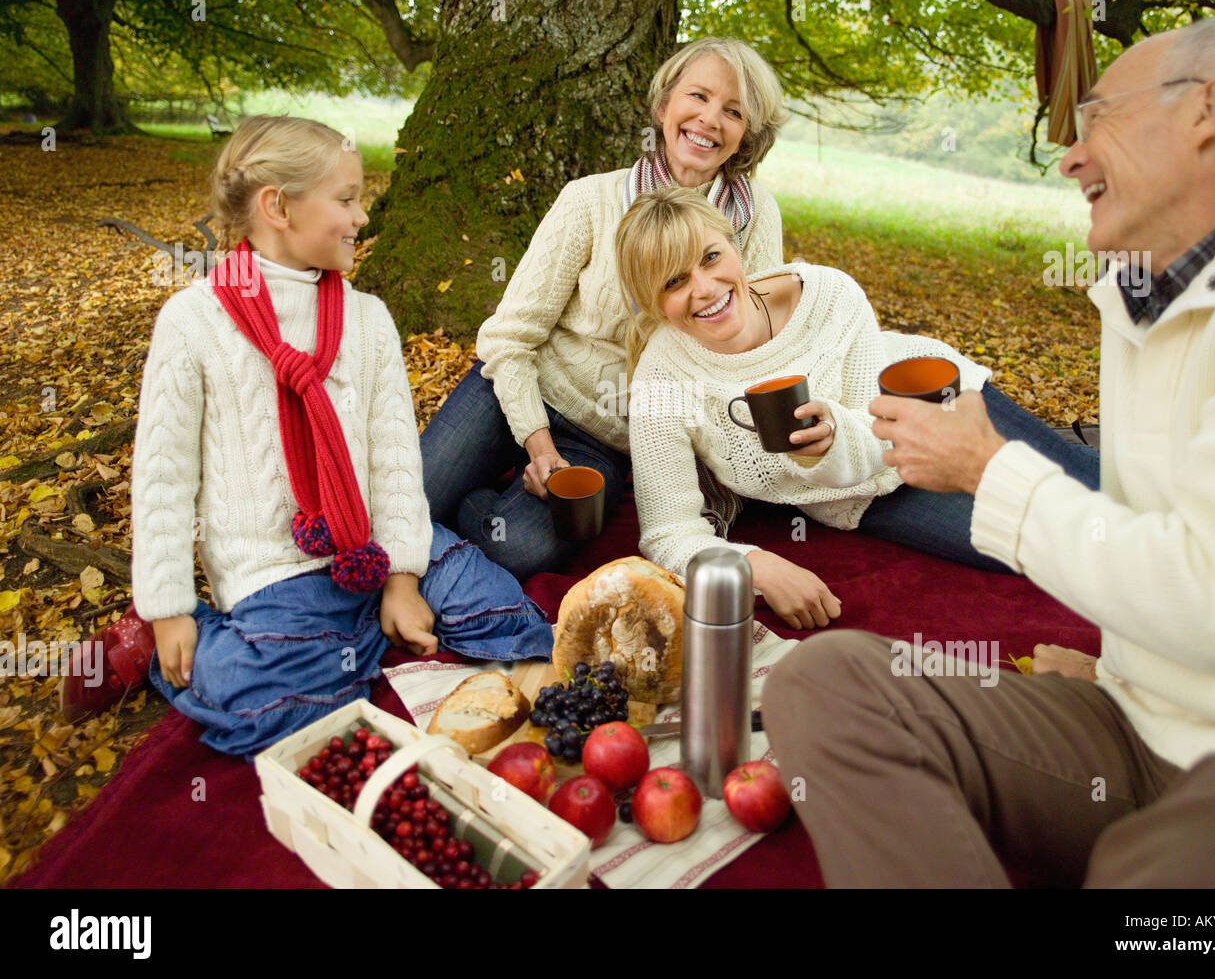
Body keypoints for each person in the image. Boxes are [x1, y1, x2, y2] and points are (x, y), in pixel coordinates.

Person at [763, 16, 1215, 886]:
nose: (1071, 157)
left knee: (1168, 866)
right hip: (1127, 731)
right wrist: (1123, 664)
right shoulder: (1145, 283)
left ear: (1210, 110)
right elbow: (1156, 530)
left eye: (1098, 120)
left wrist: (987, 469)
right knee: (822, 686)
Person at [124, 116, 551, 756]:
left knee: (503, 615)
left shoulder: (367, 319)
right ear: (278, 206)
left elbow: (397, 463)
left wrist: (404, 579)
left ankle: (361, 640)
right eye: (346, 200)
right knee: (274, 712)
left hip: (377, 545)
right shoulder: (193, 322)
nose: (361, 217)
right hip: (275, 575)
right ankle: (178, 641)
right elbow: (163, 477)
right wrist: (167, 608)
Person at [616, 188, 1100, 631]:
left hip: (928, 401)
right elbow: (668, 533)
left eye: (711, 257)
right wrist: (753, 565)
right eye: (675, 281)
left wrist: (835, 434)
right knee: (1047, 542)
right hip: (869, 494)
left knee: (1095, 486)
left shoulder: (828, 295)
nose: (704, 288)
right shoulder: (662, 378)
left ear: (733, 245)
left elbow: (881, 432)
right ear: (652, 302)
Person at [419, 38, 789, 579]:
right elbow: (509, 338)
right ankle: (471, 486)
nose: (711, 119)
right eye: (698, 96)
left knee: (520, 549)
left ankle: (471, 503)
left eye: (734, 111)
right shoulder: (589, 200)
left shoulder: (754, 220)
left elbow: (750, 349)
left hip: (609, 437)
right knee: (403, 504)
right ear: (664, 106)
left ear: (746, 135)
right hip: (522, 388)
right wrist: (537, 443)